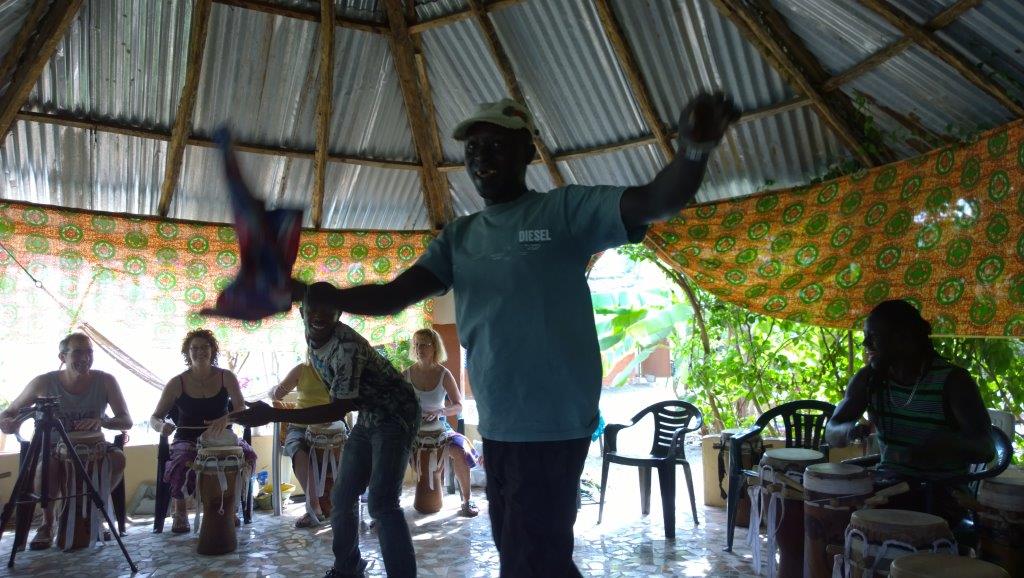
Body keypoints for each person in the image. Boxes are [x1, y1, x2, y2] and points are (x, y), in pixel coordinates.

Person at [276, 92, 740, 576]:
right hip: (498, 424)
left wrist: (693, 150)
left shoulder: (563, 211)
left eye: (495, 145)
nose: (481, 158)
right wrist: (310, 293)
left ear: (528, 152)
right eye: (472, 149)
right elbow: (393, 296)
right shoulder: (459, 237)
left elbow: (657, 200)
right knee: (525, 552)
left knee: (530, 558)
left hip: (553, 422)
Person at [233, 282, 420, 578]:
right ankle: (348, 568)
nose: (318, 315)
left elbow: (337, 409)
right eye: (312, 310)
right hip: (369, 415)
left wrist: (272, 414)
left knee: (382, 503)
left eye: (327, 310)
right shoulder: (312, 333)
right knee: (342, 498)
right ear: (302, 312)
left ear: (339, 313)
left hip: (396, 415)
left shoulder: (346, 348)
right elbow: (294, 289)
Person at [826, 299, 995, 521]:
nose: (865, 343)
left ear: (903, 338)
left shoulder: (953, 382)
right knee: (828, 503)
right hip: (889, 485)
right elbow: (832, 431)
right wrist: (849, 430)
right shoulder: (869, 379)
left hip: (941, 495)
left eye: (873, 336)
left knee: (856, 517)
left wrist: (941, 446)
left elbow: (985, 448)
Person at [0, 332, 132, 550]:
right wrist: (7, 423)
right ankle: (48, 523)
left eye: (89, 352)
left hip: (92, 446)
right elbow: (10, 411)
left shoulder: (106, 381)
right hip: (51, 446)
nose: (85, 358)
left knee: (118, 459)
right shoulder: (44, 382)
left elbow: (126, 420)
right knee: (47, 468)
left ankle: (93, 512)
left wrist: (101, 421)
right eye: (77, 352)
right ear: (62, 356)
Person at [149, 329, 256, 534]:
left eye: (205, 347)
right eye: (194, 348)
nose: (200, 352)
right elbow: (155, 418)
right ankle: (180, 511)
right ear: (187, 352)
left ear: (213, 350)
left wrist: (227, 419)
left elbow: (241, 409)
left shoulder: (226, 377)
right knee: (182, 461)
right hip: (187, 439)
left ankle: (228, 506)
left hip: (221, 439)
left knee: (248, 456)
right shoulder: (177, 382)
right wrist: (162, 427)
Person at [406, 327, 479, 517]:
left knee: (460, 450)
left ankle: (467, 500)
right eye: (416, 345)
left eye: (424, 344)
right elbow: (396, 404)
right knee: (390, 451)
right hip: (412, 429)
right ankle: (387, 507)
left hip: (440, 429)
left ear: (434, 347)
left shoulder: (443, 374)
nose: (419, 349)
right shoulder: (406, 374)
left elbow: (459, 405)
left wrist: (440, 411)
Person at [269, 362, 337, 528]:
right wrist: (273, 392)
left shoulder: (338, 368)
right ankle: (314, 507)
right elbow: (277, 395)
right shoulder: (301, 369)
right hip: (299, 427)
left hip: (331, 426)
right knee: (299, 451)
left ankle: (341, 504)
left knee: (349, 447)